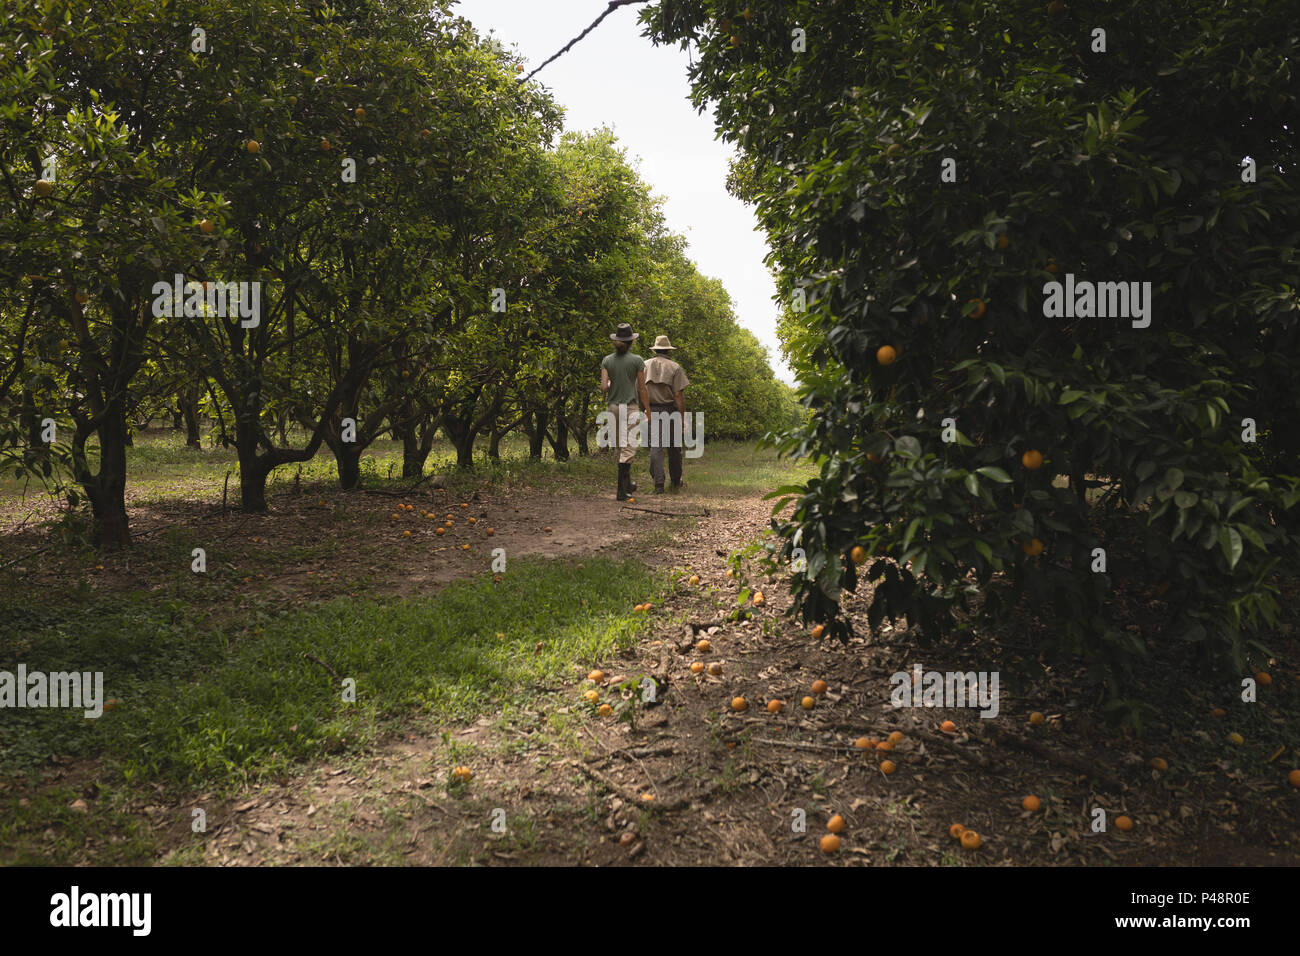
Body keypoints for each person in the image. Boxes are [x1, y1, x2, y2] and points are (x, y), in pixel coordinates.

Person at [600, 323, 650, 501]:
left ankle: (627, 485)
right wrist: (648, 408)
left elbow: (604, 387)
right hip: (630, 407)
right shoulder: (637, 360)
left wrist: (613, 384)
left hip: (612, 407)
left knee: (620, 446)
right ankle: (621, 491)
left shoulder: (607, 360)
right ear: (631, 342)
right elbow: (642, 388)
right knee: (629, 446)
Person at [644, 335, 689, 493]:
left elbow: (639, 390)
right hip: (670, 409)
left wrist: (644, 409)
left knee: (655, 447)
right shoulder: (674, 367)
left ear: (655, 350)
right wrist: (682, 417)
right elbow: (678, 395)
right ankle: (676, 481)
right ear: (669, 350)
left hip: (651, 410)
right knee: (674, 447)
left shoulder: (644, 365)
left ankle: (658, 484)